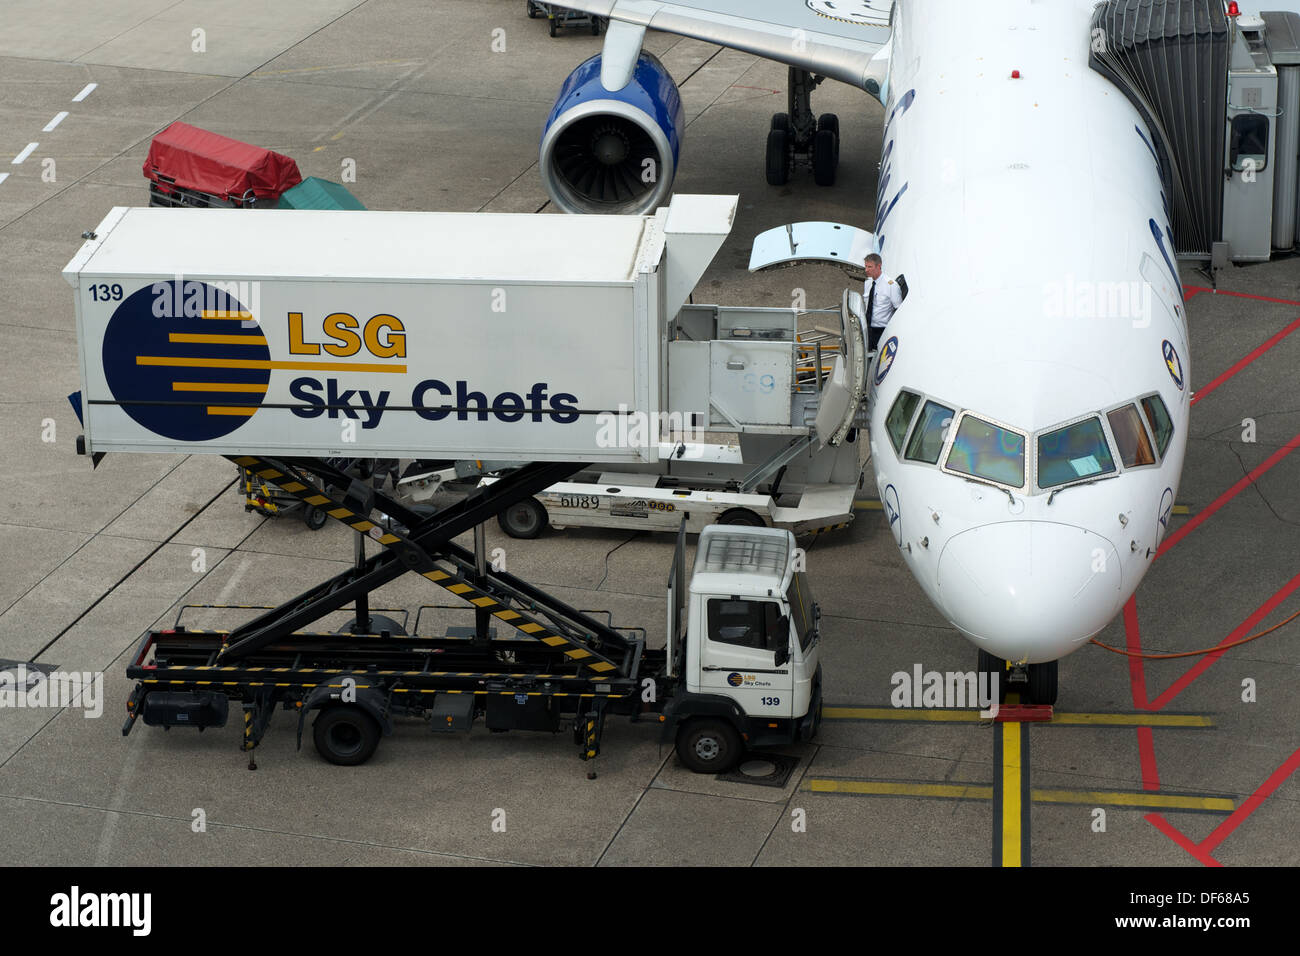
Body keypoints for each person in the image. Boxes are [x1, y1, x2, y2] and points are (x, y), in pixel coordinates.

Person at [862, 253, 904, 352]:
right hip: (868, 329)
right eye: (865, 266)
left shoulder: (891, 285)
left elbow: (899, 310)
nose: (866, 270)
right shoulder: (868, 283)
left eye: (870, 267)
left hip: (881, 331)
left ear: (879, 266)